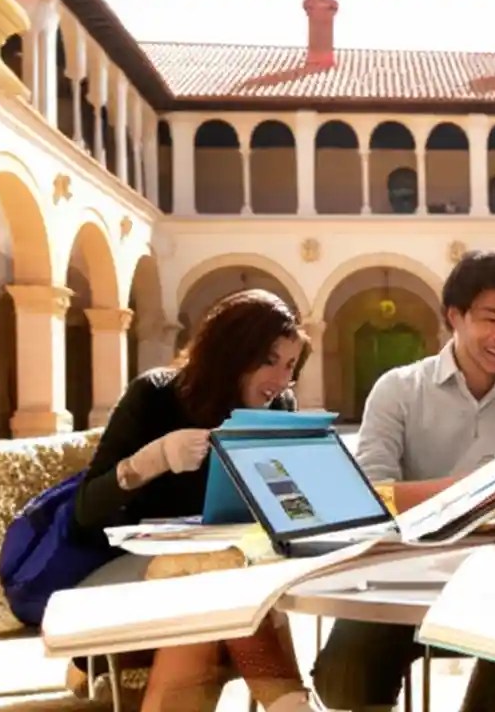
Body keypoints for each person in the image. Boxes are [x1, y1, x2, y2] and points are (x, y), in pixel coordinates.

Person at [312, 251, 495, 712]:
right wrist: (480, 487)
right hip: (395, 581)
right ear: (454, 316)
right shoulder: (398, 389)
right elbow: (370, 496)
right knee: (342, 681)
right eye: (490, 319)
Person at [71, 289, 315, 712]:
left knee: (213, 601)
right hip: (131, 570)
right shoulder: (156, 394)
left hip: (221, 575)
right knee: (223, 586)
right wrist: (154, 459)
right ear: (232, 354)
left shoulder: (279, 406)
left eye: (290, 365)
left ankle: (290, 706)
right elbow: (87, 510)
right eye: (269, 361)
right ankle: (292, 705)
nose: (280, 380)